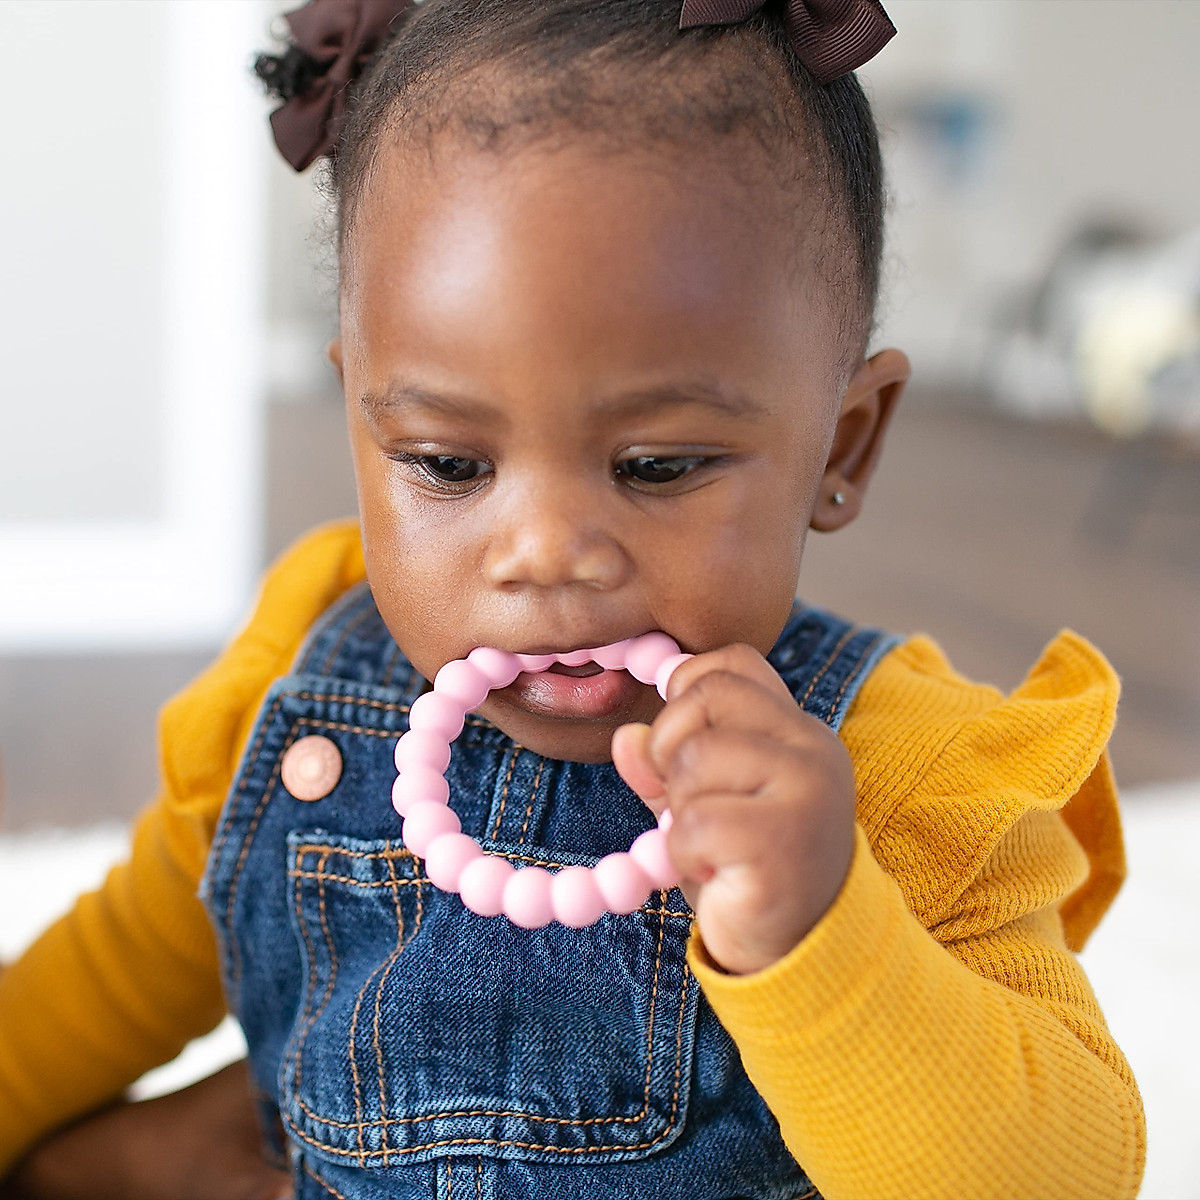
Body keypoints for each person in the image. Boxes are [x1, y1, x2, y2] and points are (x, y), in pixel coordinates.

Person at [0, 0, 1145, 1197]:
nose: (544, 554)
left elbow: (1073, 1173)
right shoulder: (299, 705)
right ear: (361, 416)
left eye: (656, 468)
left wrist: (821, 936)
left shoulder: (903, 769)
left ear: (842, 446)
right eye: (448, 464)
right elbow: (107, 977)